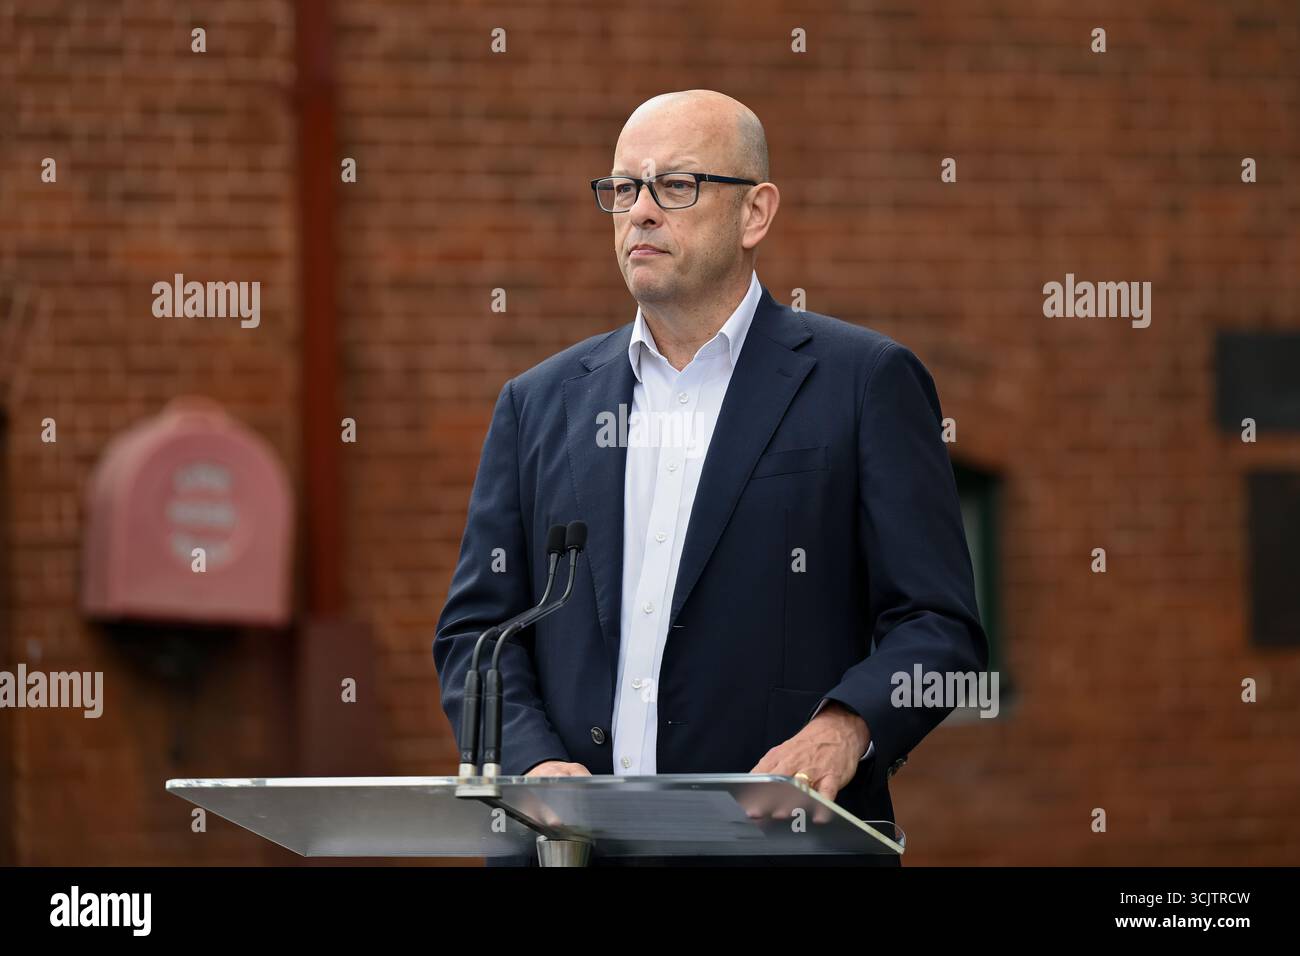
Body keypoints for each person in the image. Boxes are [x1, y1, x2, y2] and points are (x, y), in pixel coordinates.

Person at [434, 89, 987, 866]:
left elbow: (940, 626)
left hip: (776, 848)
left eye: (677, 185)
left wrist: (845, 727)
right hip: (567, 852)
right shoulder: (538, 404)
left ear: (754, 213)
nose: (642, 212)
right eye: (624, 189)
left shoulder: (863, 383)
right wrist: (533, 763)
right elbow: (474, 633)